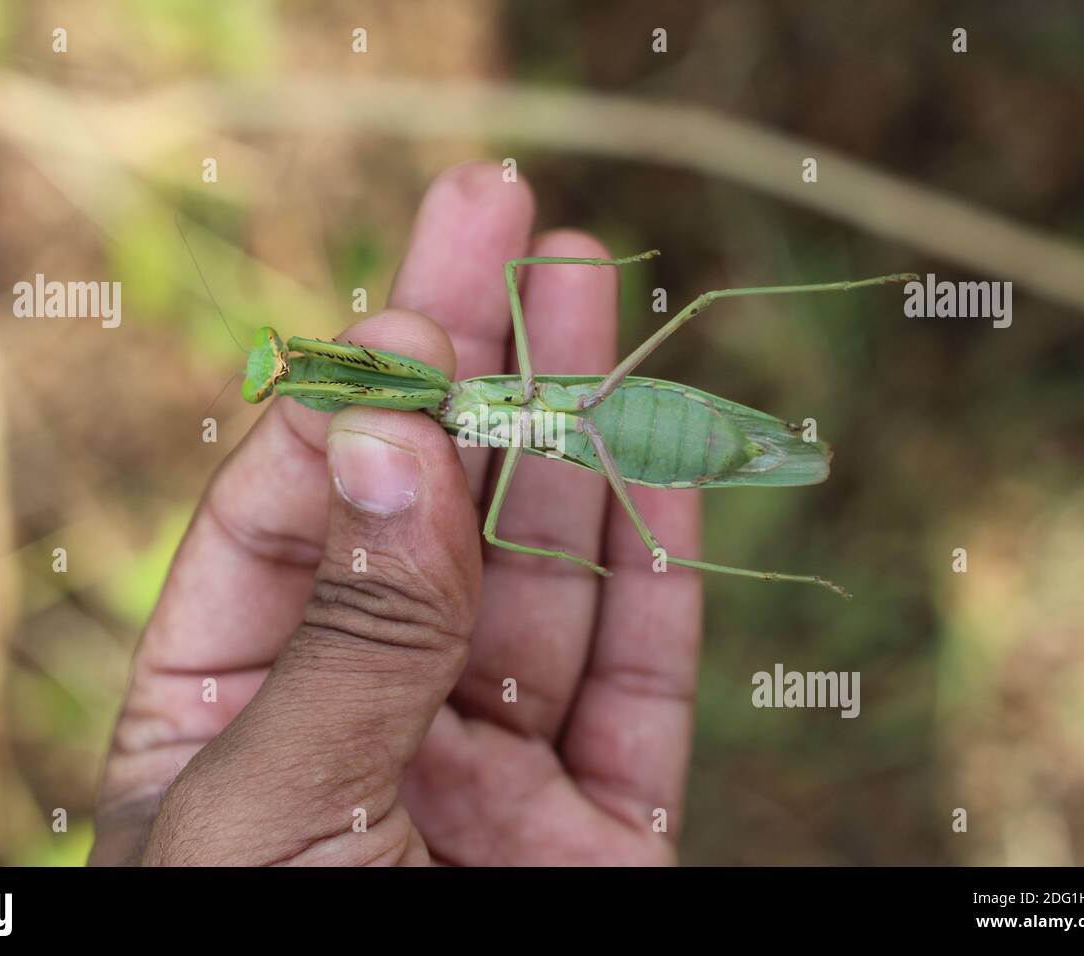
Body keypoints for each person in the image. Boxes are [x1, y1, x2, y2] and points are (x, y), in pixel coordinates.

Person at [90, 161, 704, 866]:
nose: (289, 367)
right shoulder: (375, 415)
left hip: (555, 409)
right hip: (550, 427)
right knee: (583, 526)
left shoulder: (388, 390)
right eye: (283, 375)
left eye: (287, 359)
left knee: (533, 323)